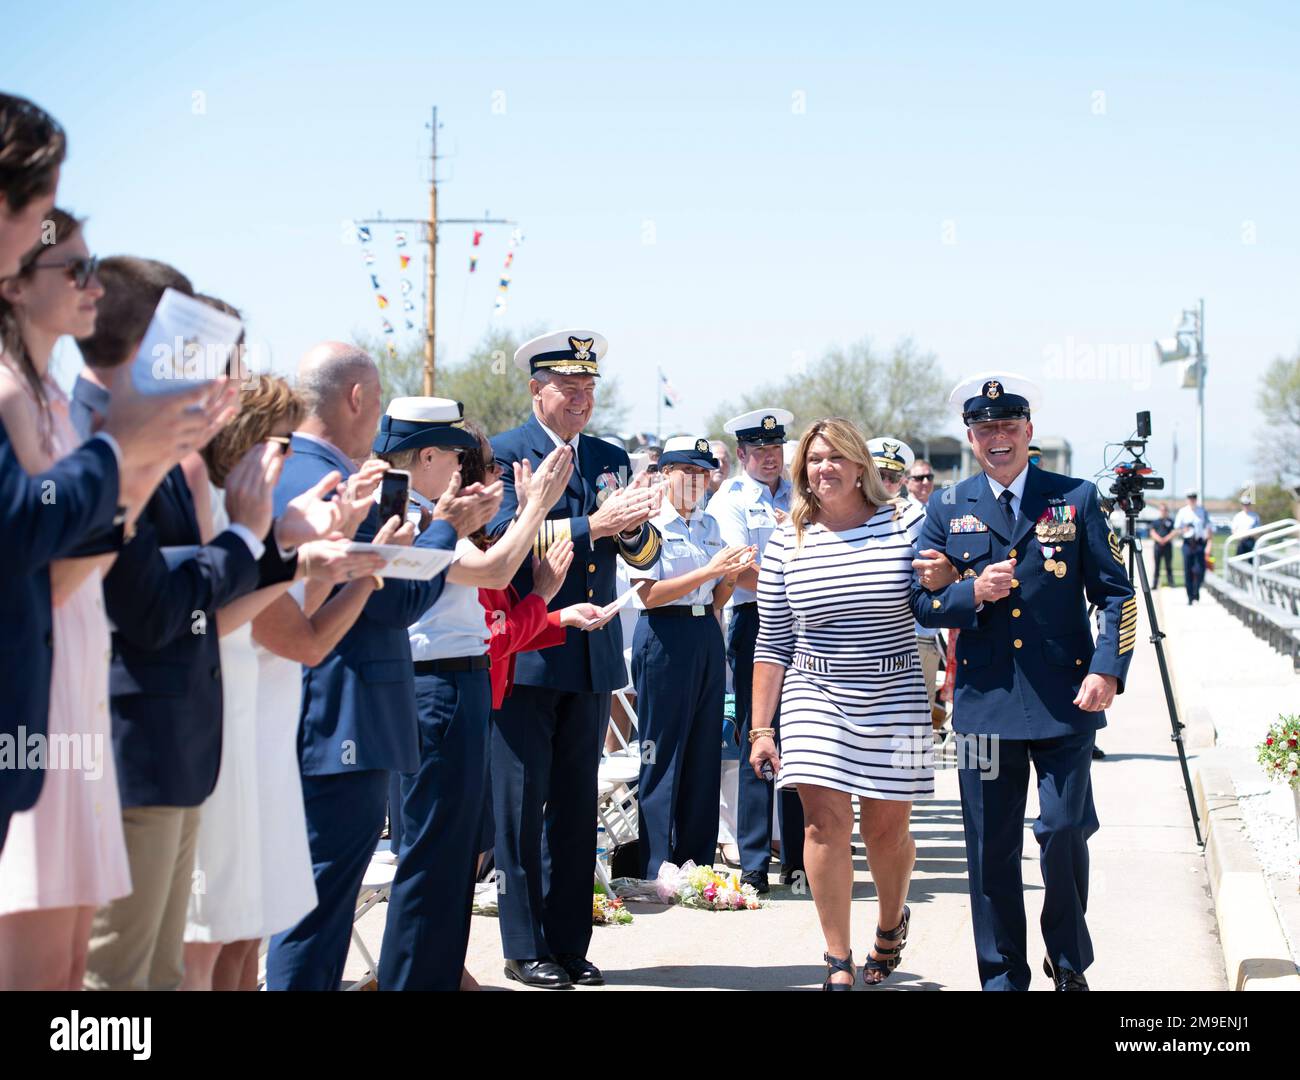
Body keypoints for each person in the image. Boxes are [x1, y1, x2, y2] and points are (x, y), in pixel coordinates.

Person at [74, 259, 349, 992]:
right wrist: (265, 542)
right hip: (138, 749)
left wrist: (282, 546)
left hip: (192, 744)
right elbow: (163, 608)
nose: (218, 385)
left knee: (173, 966)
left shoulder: (168, 462)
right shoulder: (114, 448)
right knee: (125, 979)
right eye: (200, 353)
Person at [0, 96, 215, 859]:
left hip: (64, 707)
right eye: (73, 264)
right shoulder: (39, 402)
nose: (90, 283)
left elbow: (70, 556)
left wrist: (148, 451)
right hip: (56, 715)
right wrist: (128, 452)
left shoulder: (56, 400)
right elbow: (36, 541)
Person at [264, 345, 500, 991]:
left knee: (285, 914)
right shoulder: (340, 483)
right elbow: (397, 600)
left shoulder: (287, 469)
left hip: (309, 707)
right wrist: (445, 529)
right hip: (341, 712)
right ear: (359, 400)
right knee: (315, 913)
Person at [913, 372, 1135, 991]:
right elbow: (920, 604)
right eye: (985, 429)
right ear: (971, 437)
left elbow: (1118, 595)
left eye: (1008, 426)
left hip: (1065, 699)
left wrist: (1107, 671)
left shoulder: (1076, 498)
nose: (997, 438)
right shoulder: (947, 506)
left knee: (1064, 831)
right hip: (984, 706)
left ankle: (1067, 961)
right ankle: (1003, 975)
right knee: (989, 849)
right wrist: (969, 592)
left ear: (1029, 432)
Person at [181, 369, 385, 991]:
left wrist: (339, 547)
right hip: (224, 747)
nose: (286, 456)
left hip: (263, 742)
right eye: (278, 442)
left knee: (244, 943)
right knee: (209, 947)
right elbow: (303, 640)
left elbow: (295, 609)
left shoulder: (245, 525)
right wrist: (363, 576)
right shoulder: (226, 525)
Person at [376, 401, 574, 992]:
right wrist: (536, 505)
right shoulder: (409, 517)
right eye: (456, 455)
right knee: (431, 855)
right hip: (433, 686)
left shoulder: (424, 512)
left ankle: (435, 976)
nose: (463, 467)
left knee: (452, 853)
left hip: (452, 682)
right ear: (428, 455)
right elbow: (490, 572)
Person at [488, 328, 662, 989]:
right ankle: (522, 945)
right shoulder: (504, 455)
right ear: (536, 389)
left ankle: (568, 944)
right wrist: (599, 522)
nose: (582, 399)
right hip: (530, 649)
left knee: (573, 810)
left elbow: (640, 555)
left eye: (590, 388)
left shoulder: (608, 455)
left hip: (590, 655)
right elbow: (507, 539)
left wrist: (637, 522)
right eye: (568, 387)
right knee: (521, 806)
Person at [749, 419, 931, 989]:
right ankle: (837, 959)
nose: (823, 468)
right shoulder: (788, 539)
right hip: (815, 693)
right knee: (823, 825)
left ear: (860, 467)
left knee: (886, 831)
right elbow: (772, 638)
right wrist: (760, 728)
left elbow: (935, 599)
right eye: (813, 458)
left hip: (895, 693)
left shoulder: (905, 525)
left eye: (835, 458)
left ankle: (888, 923)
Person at [629, 436, 754, 878]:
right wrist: (710, 569)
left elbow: (717, 597)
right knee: (662, 751)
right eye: (688, 472)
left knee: (704, 749)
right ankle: (655, 863)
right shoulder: (649, 524)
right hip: (664, 633)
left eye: (704, 473)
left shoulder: (708, 525)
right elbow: (649, 595)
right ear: (665, 474)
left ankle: (696, 860)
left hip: (704, 629)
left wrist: (729, 574)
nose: (698, 482)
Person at [707, 407, 804, 894]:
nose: (770, 458)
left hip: (809, 623)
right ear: (742, 454)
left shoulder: (802, 494)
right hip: (757, 620)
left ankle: (799, 858)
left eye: (775, 448)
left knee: (803, 734)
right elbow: (737, 569)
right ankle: (752, 858)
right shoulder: (731, 498)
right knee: (756, 731)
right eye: (759, 451)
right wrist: (796, 585)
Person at [1174, 491, 1210, 604]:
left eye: (1194, 497)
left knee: (1200, 570)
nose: (1192, 499)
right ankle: (1190, 596)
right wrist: (1183, 530)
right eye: (1190, 497)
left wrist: (1209, 541)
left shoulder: (1202, 511)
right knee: (1187, 570)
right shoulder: (1182, 512)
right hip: (1187, 543)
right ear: (1187, 499)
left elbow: (1209, 527)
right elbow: (1176, 528)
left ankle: (1196, 590)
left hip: (1199, 543)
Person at [867, 436, 914, 503]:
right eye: (879, 475)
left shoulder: (911, 513)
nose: (885, 483)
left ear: (900, 482)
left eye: (893, 477)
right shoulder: (849, 508)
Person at [1149, 502, 1175, 587]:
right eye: (1162, 510)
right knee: (1157, 566)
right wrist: (1160, 539)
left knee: (1168, 565)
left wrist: (1166, 539)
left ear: (1167, 511)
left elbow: (1174, 532)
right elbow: (1152, 532)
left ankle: (1171, 583)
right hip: (1158, 546)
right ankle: (1155, 584)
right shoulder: (1155, 522)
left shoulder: (1170, 521)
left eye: (1165, 510)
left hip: (1167, 546)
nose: (1163, 512)